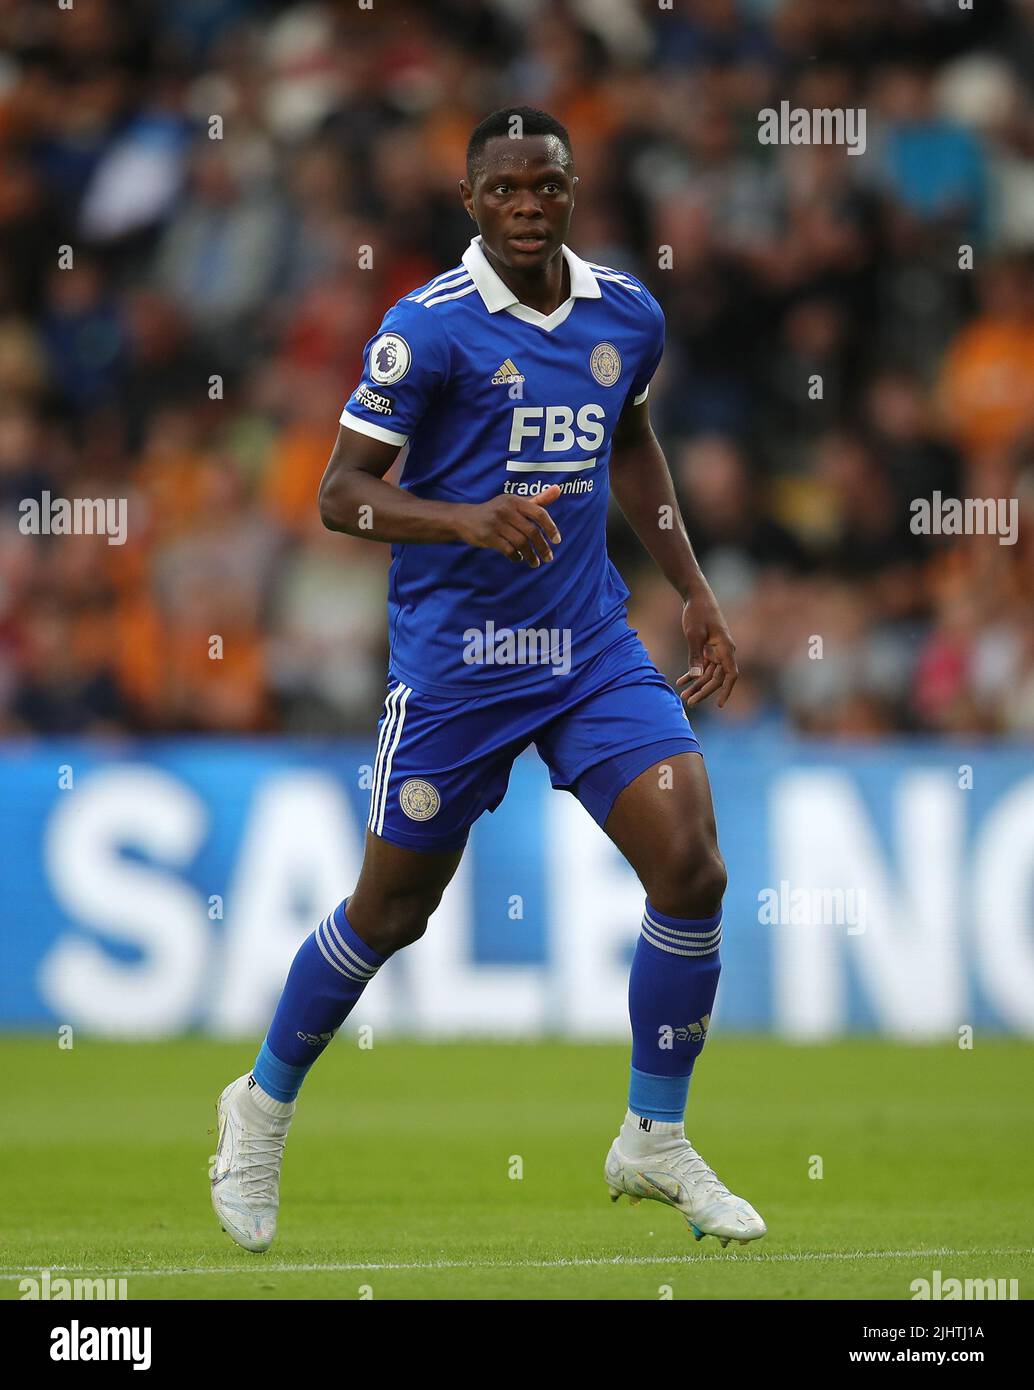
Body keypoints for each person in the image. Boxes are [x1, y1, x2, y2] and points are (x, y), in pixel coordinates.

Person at [210, 106, 765, 1253]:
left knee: (692, 860)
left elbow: (630, 440)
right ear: (469, 201)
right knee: (390, 911)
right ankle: (259, 1107)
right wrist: (463, 519)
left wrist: (691, 586)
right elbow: (339, 494)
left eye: (546, 186)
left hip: (585, 647)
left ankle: (651, 1136)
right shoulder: (428, 330)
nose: (527, 206)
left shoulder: (625, 312)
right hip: (457, 663)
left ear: (572, 192)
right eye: (505, 188)